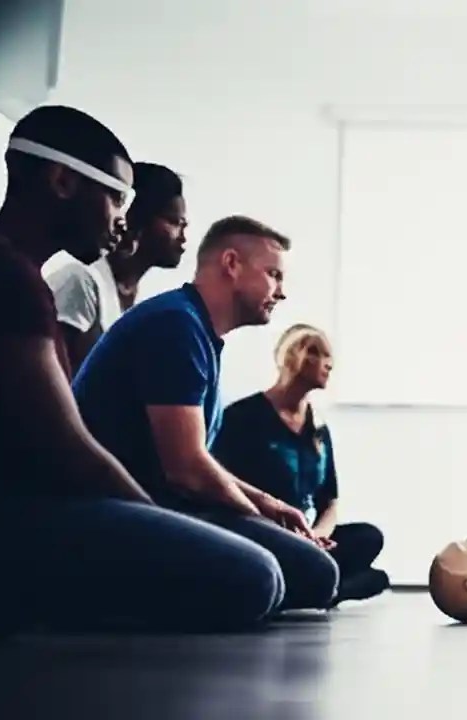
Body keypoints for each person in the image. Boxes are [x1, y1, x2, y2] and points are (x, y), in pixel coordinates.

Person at [0, 105, 284, 639]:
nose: (123, 218)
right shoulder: (0, 274)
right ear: (63, 181)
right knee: (255, 576)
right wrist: (160, 522)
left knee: (267, 572)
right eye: (117, 197)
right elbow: (66, 445)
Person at [72, 215, 339, 612]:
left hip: (161, 503)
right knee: (270, 576)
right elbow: (187, 469)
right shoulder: (176, 324)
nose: (280, 293)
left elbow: (194, 459)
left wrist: (271, 506)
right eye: (273, 275)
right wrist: (262, 519)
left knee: (315, 571)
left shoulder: (197, 331)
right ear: (231, 264)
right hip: (113, 509)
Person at [213, 323, 390, 603]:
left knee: (369, 538)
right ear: (294, 357)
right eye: (317, 353)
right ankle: (318, 588)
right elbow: (222, 485)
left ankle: (312, 587)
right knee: (369, 579)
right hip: (262, 531)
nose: (328, 364)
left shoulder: (318, 428)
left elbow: (329, 501)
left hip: (309, 537)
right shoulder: (242, 417)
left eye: (329, 356)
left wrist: (317, 536)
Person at [46, 161, 189, 375]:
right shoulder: (81, 280)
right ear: (139, 216)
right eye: (174, 222)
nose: (183, 237)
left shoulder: (139, 304)